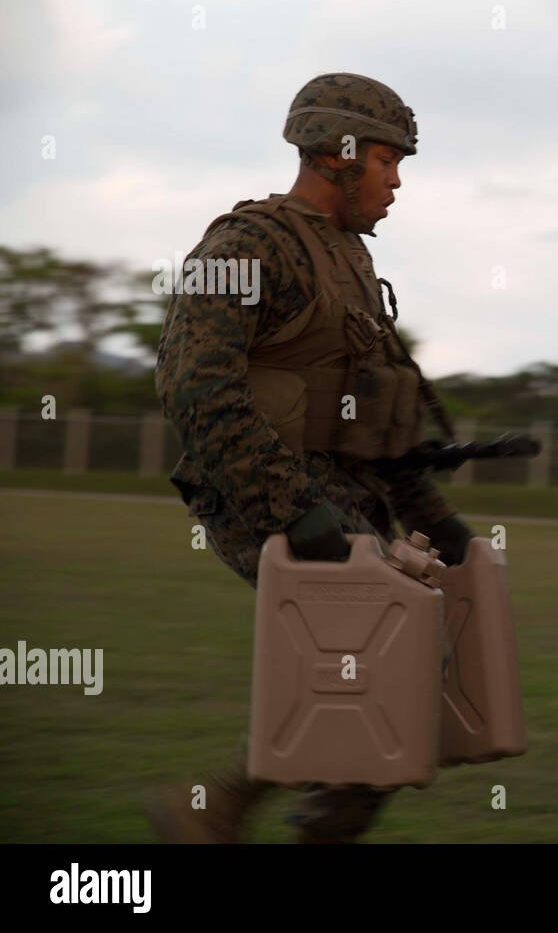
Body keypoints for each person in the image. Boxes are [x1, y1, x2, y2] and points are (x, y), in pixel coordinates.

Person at [148, 72, 473, 843]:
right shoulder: (249, 245)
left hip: (344, 502)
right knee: (382, 670)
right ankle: (218, 808)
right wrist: (302, 518)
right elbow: (198, 393)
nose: (397, 182)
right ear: (339, 154)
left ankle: (225, 813)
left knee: (397, 685)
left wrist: (441, 524)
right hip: (263, 501)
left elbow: (381, 427)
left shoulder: (352, 263)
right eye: (389, 162)